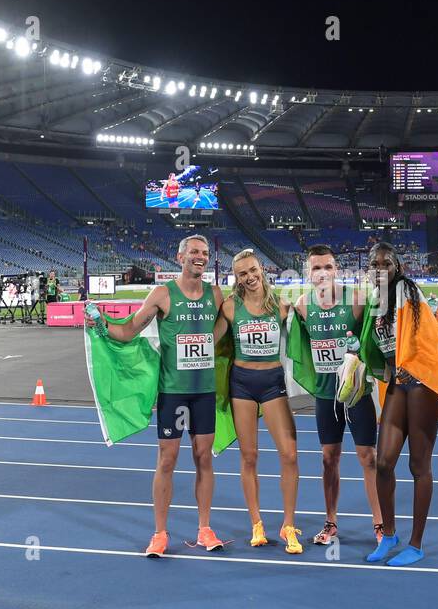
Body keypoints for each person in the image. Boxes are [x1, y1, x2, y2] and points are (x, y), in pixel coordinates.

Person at [94, 234, 225, 557]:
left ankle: (205, 528)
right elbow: (128, 332)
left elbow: (230, 325)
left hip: (205, 391)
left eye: (205, 253)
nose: (200, 257)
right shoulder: (162, 294)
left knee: (204, 457)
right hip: (173, 392)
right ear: (180, 257)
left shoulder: (216, 294)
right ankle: (160, 534)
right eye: (194, 251)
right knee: (167, 460)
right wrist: (100, 324)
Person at [360, 242, 438, 567]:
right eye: (375, 264)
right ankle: (389, 534)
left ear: (397, 267)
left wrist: (407, 366)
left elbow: (424, 338)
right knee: (383, 462)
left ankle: (415, 543)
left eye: (387, 263)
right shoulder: (375, 302)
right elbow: (379, 349)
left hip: (422, 384)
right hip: (398, 384)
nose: (380, 269)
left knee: (418, 465)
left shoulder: (406, 291)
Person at [288, 245, 382, 546]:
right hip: (326, 395)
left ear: (337, 270)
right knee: (329, 458)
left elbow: (372, 334)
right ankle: (330, 523)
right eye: (316, 268)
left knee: (368, 457)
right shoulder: (302, 305)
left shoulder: (356, 301)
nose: (322, 273)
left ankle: (381, 524)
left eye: (327, 267)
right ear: (308, 273)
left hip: (356, 394)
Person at [212, 249, 303, 554]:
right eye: (242, 274)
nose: (249, 278)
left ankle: (288, 524)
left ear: (261, 269)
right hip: (242, 385)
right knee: (249, 457)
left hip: (272, 383)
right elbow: (209, 343)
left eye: (252, 271)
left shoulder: (281, 306)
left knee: (289, 454)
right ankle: (256, 523)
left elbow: (308, 333)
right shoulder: (229, 308)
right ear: (235, 278)